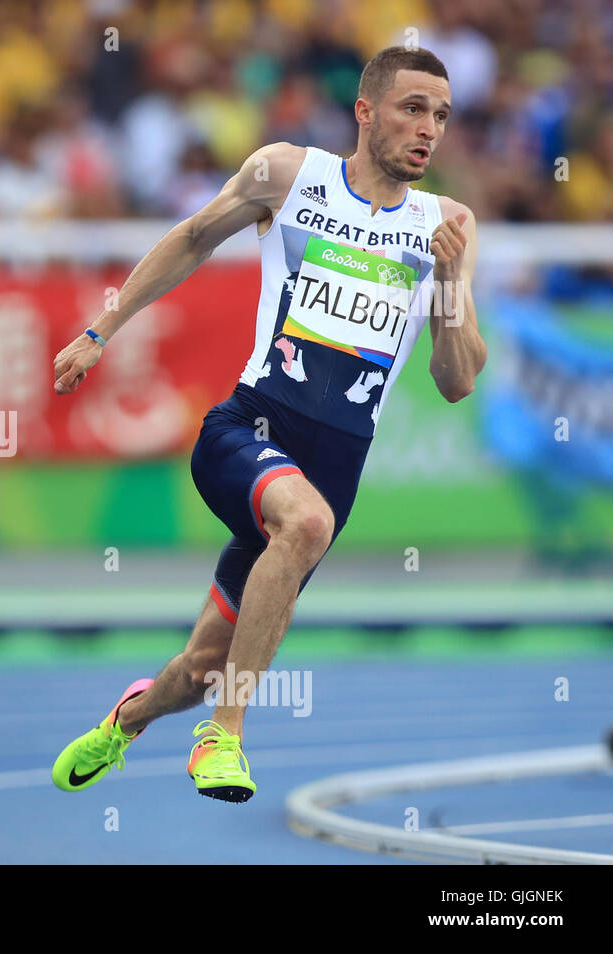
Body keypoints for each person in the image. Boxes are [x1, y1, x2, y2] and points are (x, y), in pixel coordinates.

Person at [51, 46, 486, 803]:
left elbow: (456, 381)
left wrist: (448, 283)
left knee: (197, 668)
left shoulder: (446, 225)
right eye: (413, 108)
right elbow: (192, 239)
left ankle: (129, 720)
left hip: (333, 470)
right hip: (247, 430)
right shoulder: (287, 174)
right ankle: (223, 738)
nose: (428, 130)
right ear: (365, 110)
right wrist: (99, 333)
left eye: (441, 116)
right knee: (305, 524)